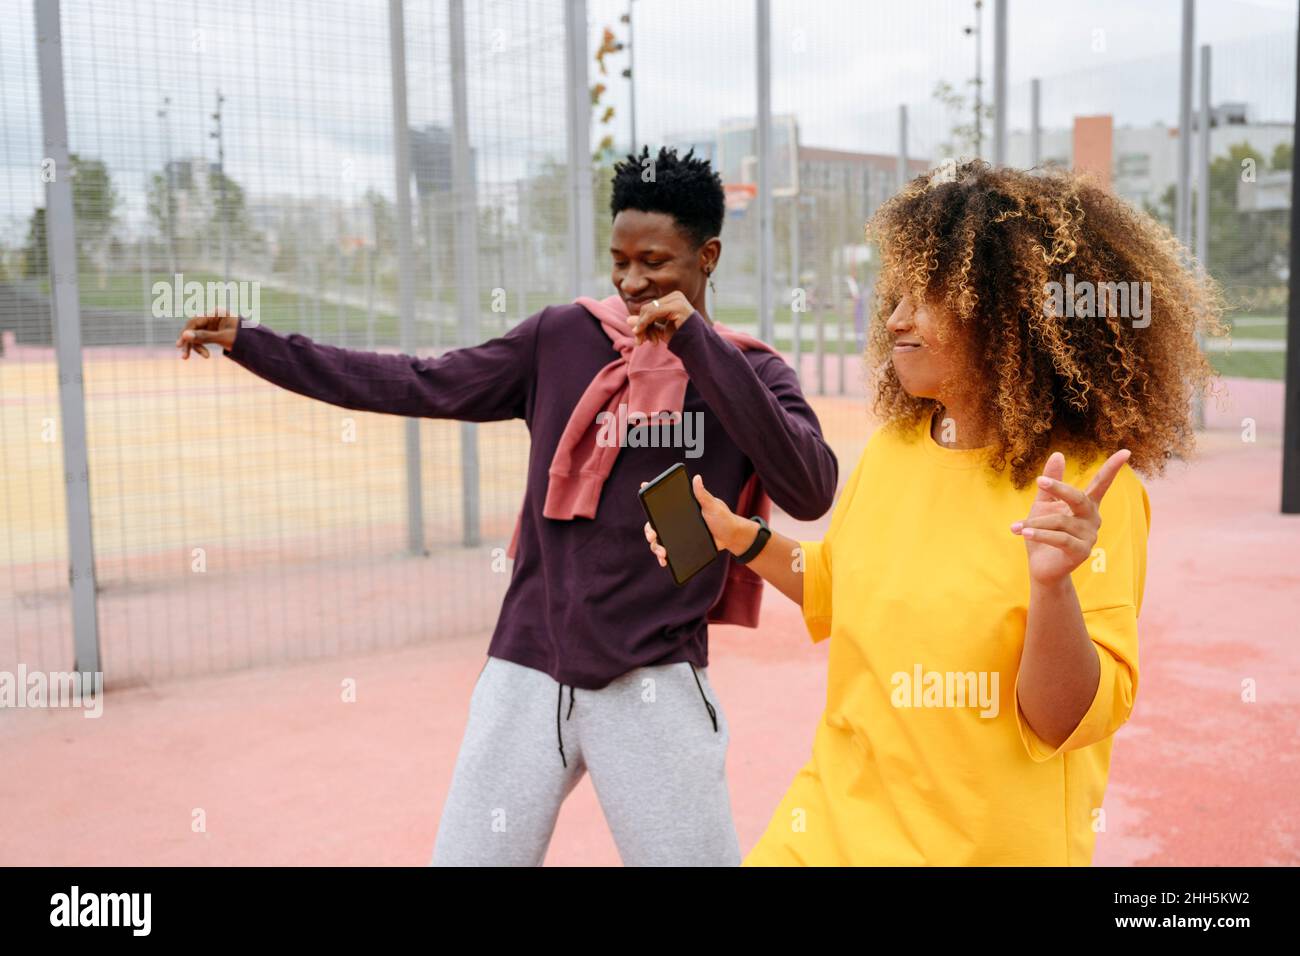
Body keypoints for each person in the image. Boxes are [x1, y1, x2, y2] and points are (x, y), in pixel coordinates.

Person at [176, 146, 838, 866]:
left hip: (653, 686)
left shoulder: (748, 369)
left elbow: (809, 487)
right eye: (619, 258)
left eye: (655, 260)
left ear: (707, 256)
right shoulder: (561, 339)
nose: (631, 280)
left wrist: (701, 349)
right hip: (527, 674)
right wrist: (258, 346)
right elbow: (417, 381)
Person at [645, 160, 1224, 866]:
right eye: (898, 293)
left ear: (1010, 313)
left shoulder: (1085, 490)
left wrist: (1052, 585)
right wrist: (742, 539)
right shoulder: (893, 448)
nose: (894, 318)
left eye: (926, 296)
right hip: (828, 830)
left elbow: (1061, 717)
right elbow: (838, 583)